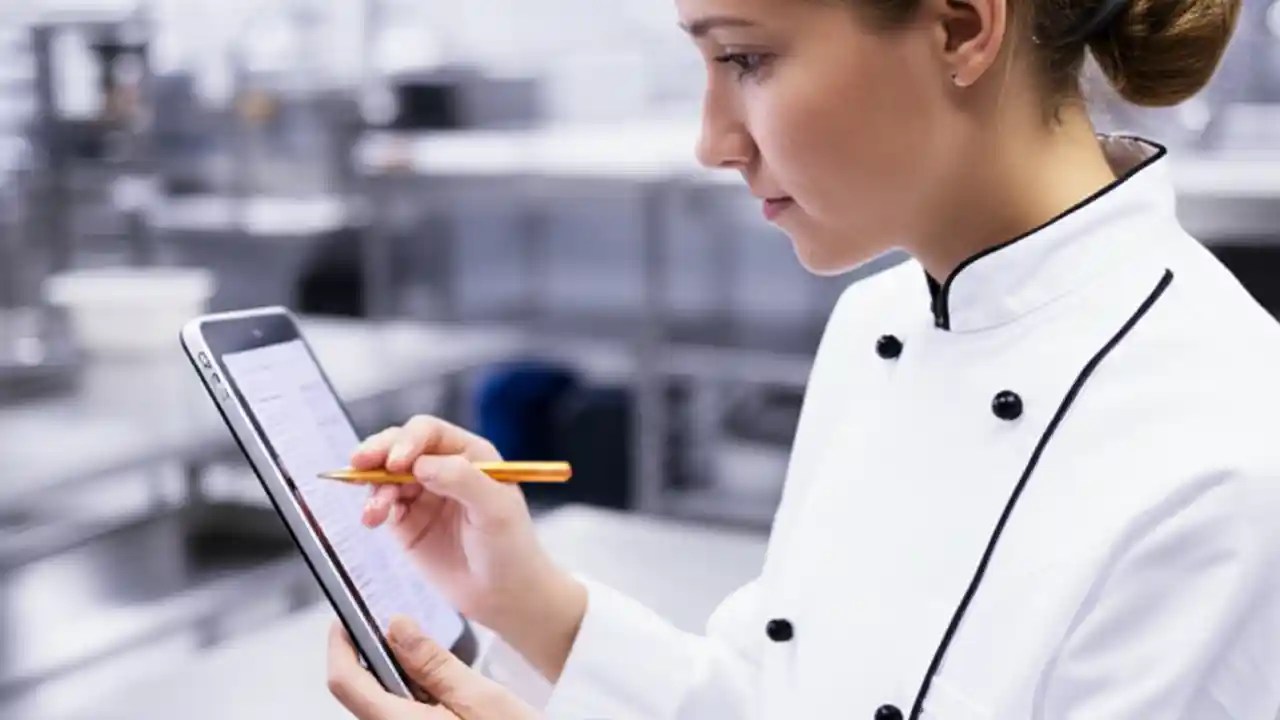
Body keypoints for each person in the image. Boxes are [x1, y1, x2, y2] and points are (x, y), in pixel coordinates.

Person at [324, 0, 1280, 716]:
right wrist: (522, 597)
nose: (711, 142)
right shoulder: (878, 327)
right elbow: (781, 697)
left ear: (958, 26)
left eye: (745, 58)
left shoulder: (1225, 460)